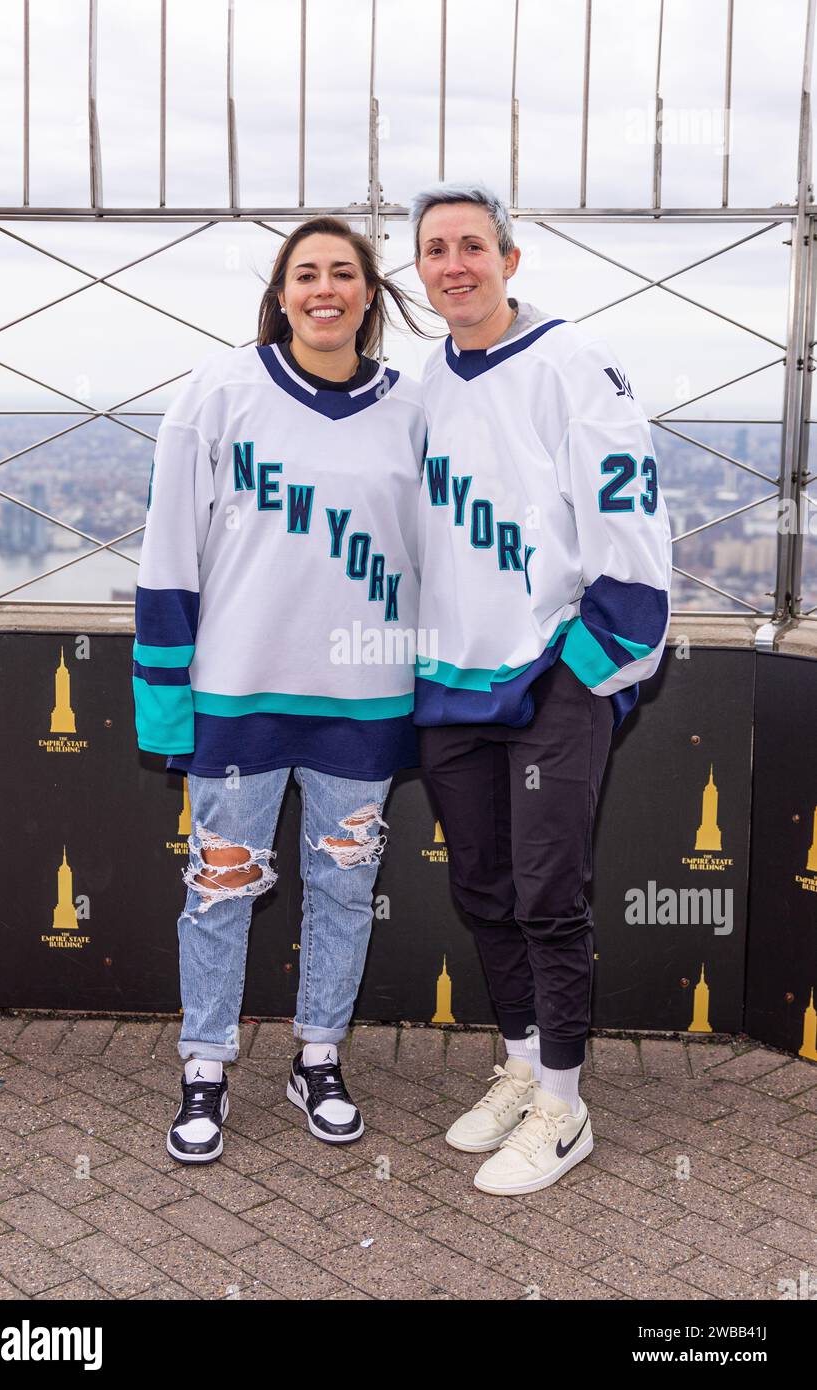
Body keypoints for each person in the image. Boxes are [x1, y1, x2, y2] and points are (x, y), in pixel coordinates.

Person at [132, 216, 428, 1162]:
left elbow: (447, 559)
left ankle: (319, 1056)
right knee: (219, 890)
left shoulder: (415, 407)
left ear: (371, 295)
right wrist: (164, 696)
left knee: (344, 892)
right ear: (281, 290)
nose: (325, 289)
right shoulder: (217, 391)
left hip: (367, 698)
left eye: (345, 272)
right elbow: (169, 549)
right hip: (238, 691)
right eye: (307, 273)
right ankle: (206, 1066)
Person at [410, 182, 672, 1195]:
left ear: (508, 260)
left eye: (471, 245)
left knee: (547, 894)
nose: (453, 265)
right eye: (434, 250)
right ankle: (520, 1062)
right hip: (448, 680)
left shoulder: (575, 365)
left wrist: (593, 666)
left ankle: (564, 1104)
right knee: (480, 889)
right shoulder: (422, 380)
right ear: (420, 271)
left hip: (553, 672)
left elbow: (629, 523)